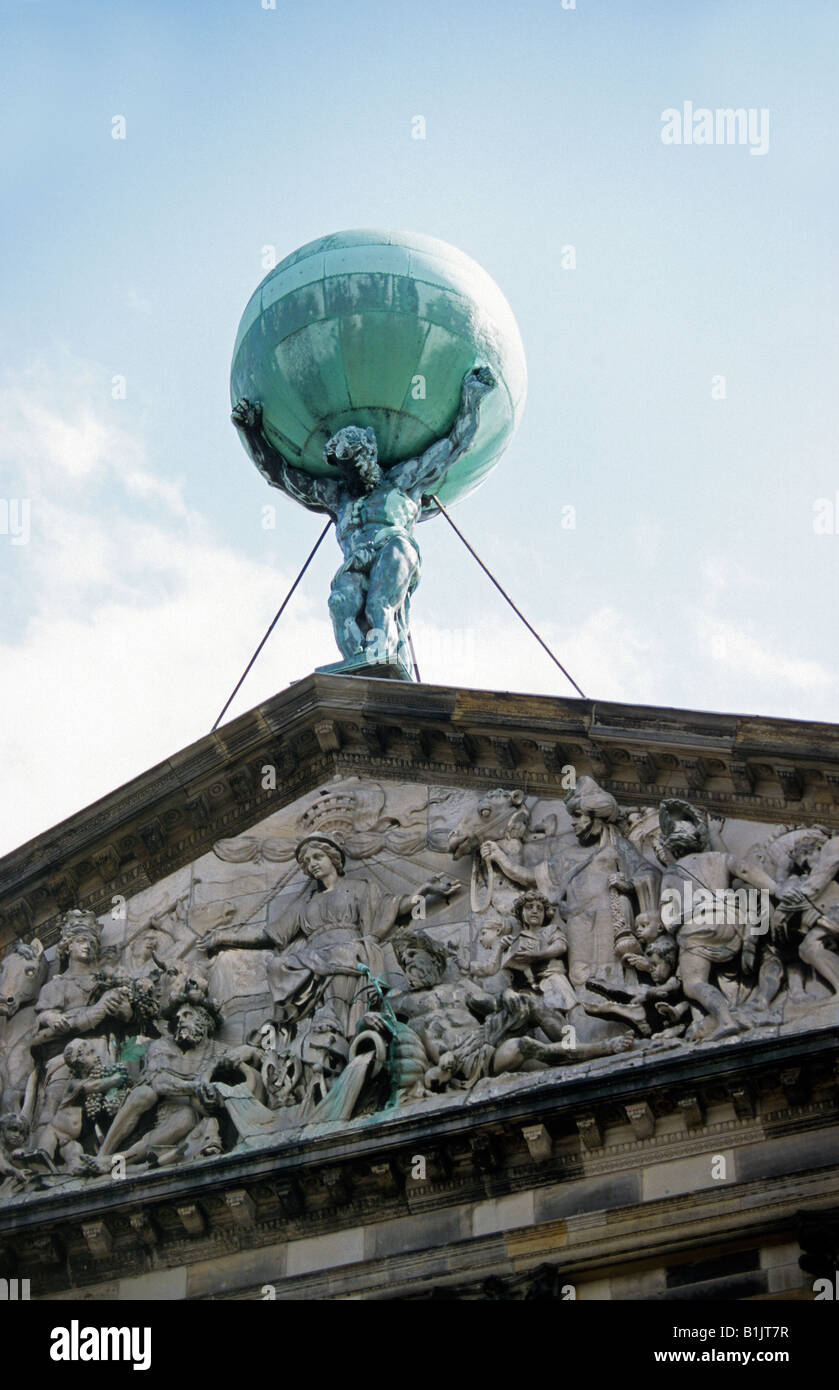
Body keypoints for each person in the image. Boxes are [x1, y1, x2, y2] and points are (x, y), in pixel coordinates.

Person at [231, 367, 496, 678]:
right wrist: (252, 432)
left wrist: (471, 398)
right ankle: (359, 670)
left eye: (359, 462)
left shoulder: (402, 483)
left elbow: (453, 446)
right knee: (340, 602)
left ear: (370, 454)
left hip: (393, 546)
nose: (356, 472)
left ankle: (383, 661)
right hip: (357, 559)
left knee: (378, 605)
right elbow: (282, 476)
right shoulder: (337, 497)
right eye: (348, 467)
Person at [201, 833, 458, 1047]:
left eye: (317, 857)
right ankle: (320, 1023)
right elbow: (267, 936)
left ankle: (338, 1023)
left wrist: (424, 892)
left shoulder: (360, 887)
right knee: (276, 965)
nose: (312, 863)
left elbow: (391, 907)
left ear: (333, 858)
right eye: (307, 861)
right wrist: (223, 937)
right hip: (315, 958)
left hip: (351, 951)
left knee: (345, 956)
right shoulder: (305, 904)